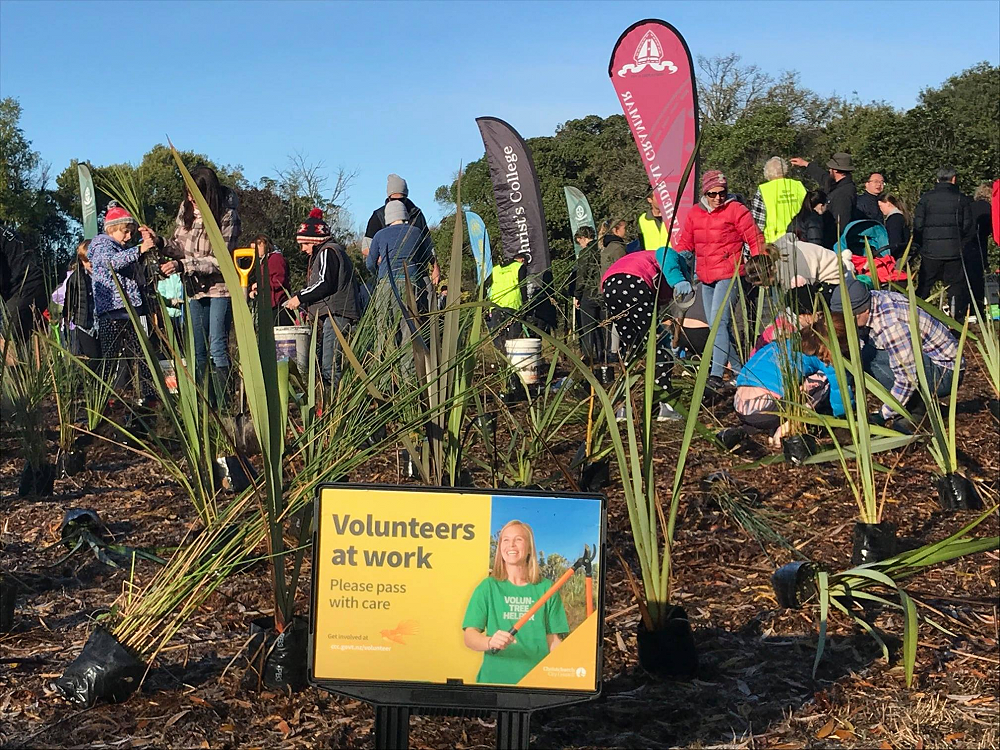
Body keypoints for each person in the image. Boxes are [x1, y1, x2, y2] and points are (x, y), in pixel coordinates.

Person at [141, 165, 242, 396]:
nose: (190, 198)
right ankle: (201, 400)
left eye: (195, 193)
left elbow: (221, 260)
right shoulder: (185, 210)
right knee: (197, 348)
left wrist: (183, 266)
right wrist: (159, 242)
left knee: (217, 346)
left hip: (220, 289)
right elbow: (179, 247)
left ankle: (223, 402)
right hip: (194, 289)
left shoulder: (227, 215)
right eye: (187, 193)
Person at [672, 170, 766, 390]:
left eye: (722, 193)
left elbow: (755, 238)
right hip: (705, 277)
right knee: (717, 325)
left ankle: (715, 374)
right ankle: (741, 372)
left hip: (730, 274)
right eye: (712, 194)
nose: (718, 198)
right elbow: (685, 244)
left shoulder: (736, 210)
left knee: (717, 324)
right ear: (705, 193)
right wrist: (672, 263)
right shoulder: (695, 213)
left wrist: (760, 263)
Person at [832, 277, 961, 423]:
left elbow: (907, 378)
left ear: (865, 311)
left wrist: (882, 415)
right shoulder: (874, 299)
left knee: (868, 359)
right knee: (865, 353)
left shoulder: (890, 324)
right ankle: (913, 404)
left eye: (848, 319)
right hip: (928, 359)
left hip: (945, 373)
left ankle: (917, 408)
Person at [462, 520, 569, 685]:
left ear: (529, 548)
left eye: (518, 539)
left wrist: (574, 668)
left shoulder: (546, 588)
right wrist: (489, 642)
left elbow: (552, 641)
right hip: (494, 684)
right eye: (505, 540)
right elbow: (470, 636)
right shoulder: (488, 587)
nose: (511, 545)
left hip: (537, 683)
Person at [600, 247, 689, 421]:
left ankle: (623, 408)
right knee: (658, 345)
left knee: (631, 348)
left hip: (609, 286)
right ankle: (667, 405)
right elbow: (666, 254)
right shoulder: (672, 258)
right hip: (633, 282)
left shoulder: (640, 258)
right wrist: (679, 280)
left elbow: (660, 298)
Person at [728, 326, 848, 448]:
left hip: (740, 405)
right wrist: (841, 417)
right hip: (766, 410)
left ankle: (762, 428)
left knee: (784, 383)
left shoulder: (778, 345)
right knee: (824, 378)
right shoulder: (821, 356)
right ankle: (789, 425)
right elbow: (840, 390)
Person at [89, 202, 157, 402]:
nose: (128, 237)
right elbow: (112, 263)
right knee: (111, 356)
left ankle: (148, 395)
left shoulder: (122, 248)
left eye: (130, 233)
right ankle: (106, 397)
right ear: (111, 229)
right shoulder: (102, 246)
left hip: (133, 309)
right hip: (113, 311)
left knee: (143, 354)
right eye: (125, 232)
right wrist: (139, 250)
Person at [285, 209, 361, 387]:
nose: (303, 249)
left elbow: (325, 283)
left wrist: (300, 297)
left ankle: (332, 406)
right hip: (334, 314)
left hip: (337, 315)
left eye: (304, 244)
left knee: (329, 365)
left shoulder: (328, 252)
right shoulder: (330, 251)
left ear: (314, 240)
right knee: (325, 362)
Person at [912, 165, 975, 323]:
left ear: (937, 179)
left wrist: (921, 245)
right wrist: (961, 244)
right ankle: (956, 321)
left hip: (931, 252)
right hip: (954, 252)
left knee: (925, 286)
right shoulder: (962, 199)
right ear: (954, 179)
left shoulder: (926, 199)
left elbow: (918, 226)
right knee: (955, 289)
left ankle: (918, 318)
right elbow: (968, 227)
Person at [744, 234, 851, 291]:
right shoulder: (777, 246)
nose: (766, 287)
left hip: (837, 278)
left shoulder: (792, 277)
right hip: (833, 257)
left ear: (771, 269)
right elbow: (791, 235)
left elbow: (806, 298)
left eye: (765, 283)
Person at [790, 153, 859, 238]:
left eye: (831, 168)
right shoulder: (836, 184)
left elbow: (840, 225)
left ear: (836, 170)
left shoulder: (843, 194)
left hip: (835, 243)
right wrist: (805, 164)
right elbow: (822, 176)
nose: (829, 170)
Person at [0, 224, 47, 346]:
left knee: (7, 340)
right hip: (33, 287)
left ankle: (12, 361)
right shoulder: (5, 232)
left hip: (26, 287)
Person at [51, 240, 100, 358]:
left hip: (102, 321)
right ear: (81, 261)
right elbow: (69, 298)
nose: (91, 264)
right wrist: (67, 315)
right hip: (83, 322)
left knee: (104, 356)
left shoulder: (104, 275)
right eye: (86, 261)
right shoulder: (76, 278)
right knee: (91, 356)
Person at [362, 174, 428, 256]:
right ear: (388, 197)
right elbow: (366, 248)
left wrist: (435, 266)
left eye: (401, 199)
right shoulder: (378, 216)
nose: (397, 202)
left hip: (415, 266)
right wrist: (383, 262)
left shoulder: (416, 214)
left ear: (406, 196)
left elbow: (428, 244)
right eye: (393, 199)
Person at [750, 157, 807, 243]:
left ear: (766, 173)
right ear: (785, 170)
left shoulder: (763, 190)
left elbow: (758, 223)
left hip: (774, 242)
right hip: (800, 238)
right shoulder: (798, 186)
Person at [571, 226, 605, 365]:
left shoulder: (585, 254)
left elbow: (581, 277)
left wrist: (577, 295)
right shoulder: (602, 250)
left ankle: (589, 357)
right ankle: (604, 356)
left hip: (589, 294)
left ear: (582, 238)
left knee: (588, 328)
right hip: (602, 293)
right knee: (603, 326)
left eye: (579, 242)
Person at [249, 234, 293, 326]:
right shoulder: (264, 262)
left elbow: (278, 281)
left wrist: (260, 284)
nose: (254, 253)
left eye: (255, 249)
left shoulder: (276, 259)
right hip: (269, 305)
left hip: (278, 306)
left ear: (264, 245)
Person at [485, 252, 528, 347]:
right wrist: (525, 303)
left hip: (496, 306)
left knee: (499, 336)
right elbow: (523, 287)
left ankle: (502, 357)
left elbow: (485, 286)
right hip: (513, 305)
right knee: (514, 338)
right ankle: (513, 358)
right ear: (522, 260)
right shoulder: (520, 267)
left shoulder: (495, 269)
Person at [965, 183, 993, 320]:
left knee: (965, 280)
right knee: (977, 281)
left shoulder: (969, 206)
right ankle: (979, 312)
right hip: (979, 247)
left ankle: (966, 310)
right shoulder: (989, 209)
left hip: (964, 246)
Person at [878, 194, 911, 261]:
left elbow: (895, 241)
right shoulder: (900, 216)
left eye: (881, 206)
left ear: (888, 203)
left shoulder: (894, 219)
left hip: (898, 257)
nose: (880, 209)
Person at [156, 270, 185, 343]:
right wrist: (171, 302)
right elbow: (160, 295)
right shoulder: (166, 276)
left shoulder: (185, 276)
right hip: (169, 314)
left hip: (183, 314)